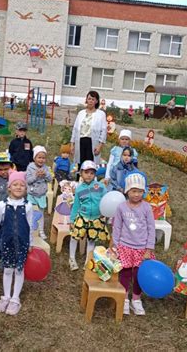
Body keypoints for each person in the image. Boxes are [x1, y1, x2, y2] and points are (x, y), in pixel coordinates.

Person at [0, 171, 33, 316]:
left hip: (22, 243)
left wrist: (30, 244)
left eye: (22, 185)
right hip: (7, 242)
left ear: (26, 189)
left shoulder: (28, 206)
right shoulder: (2, 205)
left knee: (19, 270)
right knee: (8, 269)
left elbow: (30, 227)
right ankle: (6, 297)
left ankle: (15, 299)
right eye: (15, 184)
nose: (18, 187)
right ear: (9, 187)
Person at [112, 172, 155, 315]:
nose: (137, 194)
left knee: (138, 275)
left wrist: (149, 249)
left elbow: (151, 229)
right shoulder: (121, 207)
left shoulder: (147, 208)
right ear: (127, 191)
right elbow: (117, 227)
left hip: (141, 249)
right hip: (124, 246)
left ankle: (136, 299)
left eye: (140, 191)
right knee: (124, 274)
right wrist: (115, 246)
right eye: (134, 191)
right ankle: (123, 298)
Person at [69, 160, 108, 271]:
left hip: (95, 218)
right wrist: (72, 220)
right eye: (86, 172)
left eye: (92, 173)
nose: (89, 175)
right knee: (74, 237)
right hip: (82, 217)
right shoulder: (79, 189)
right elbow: (76, 205)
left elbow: (106, 200)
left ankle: (88, 261)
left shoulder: (100, 187)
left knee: (91, 240)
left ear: (95, 174)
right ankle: (71, 259)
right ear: (81, 173)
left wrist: (104, 212)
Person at [70, 91, 107, 167]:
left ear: (96, 101)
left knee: (90, 164)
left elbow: (103, 131)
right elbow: (75, 129)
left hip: (92, 142)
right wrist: (72, 144)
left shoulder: (101, 114)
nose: (90, 101)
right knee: (80, 163)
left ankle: (90, 178)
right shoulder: (81, 113)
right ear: (86, 100)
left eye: (93, 99)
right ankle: (79, 178)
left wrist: (100, 146)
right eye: (89, 99)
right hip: (80, 141)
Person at [26, 146, 52, 240]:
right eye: (39, 157)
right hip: (32, 195)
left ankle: (41, 231)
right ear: (34, 158)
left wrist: (45, 174)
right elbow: (28, 181)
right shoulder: (30, 167)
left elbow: (50, 180)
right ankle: (30, 230)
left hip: (41, 194)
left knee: (41, 214)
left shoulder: (46, 168)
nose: (41, 160)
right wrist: (36, 176)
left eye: (43, 158)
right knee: (31, 213)